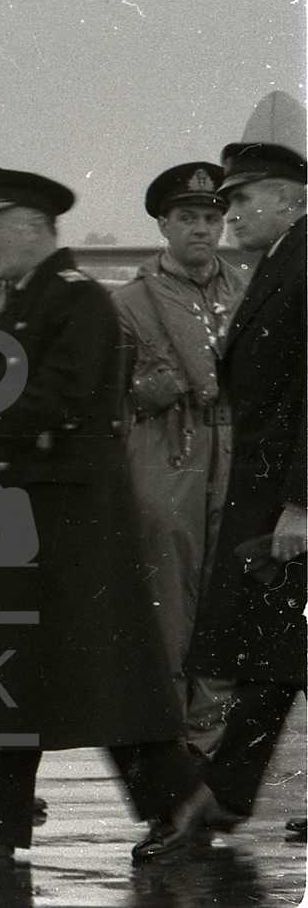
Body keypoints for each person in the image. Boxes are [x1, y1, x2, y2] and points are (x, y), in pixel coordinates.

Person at [0, 168, 203, 866]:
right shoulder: (31, 299)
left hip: (75, 516)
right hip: (37, 507)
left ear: (39, 226)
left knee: (107, 666)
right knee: (15, 663)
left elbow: (61, 397)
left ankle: (178, 802)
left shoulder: (74, 301)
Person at [152, 140, 306, 851]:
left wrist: (302, 503)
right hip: (274, 495)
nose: (230, 211)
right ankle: (228, 792)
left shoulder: (303, 263)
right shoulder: (282, 262)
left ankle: (225, 792)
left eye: (243, 198)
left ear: (292, 199)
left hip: (291, 500)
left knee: (284, 650)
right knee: (281, 652)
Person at [110, 161, 247, 756]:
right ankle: (166, 742)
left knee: (226, 594)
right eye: (187, 217)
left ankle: (209, 739)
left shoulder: (248, 293)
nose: (201, 228)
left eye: (212, 217)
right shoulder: (129, 302)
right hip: (164, 452)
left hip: (235, 451)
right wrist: (164, 382)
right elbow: (110, 395)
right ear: (163, 224)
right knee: (166, 597)